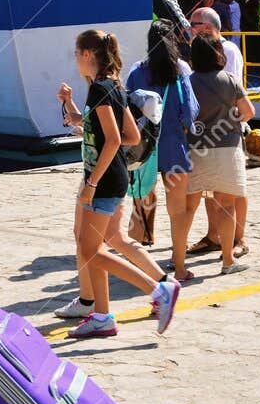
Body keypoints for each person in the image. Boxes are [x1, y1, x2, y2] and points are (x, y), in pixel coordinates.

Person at [55, 29, 181, 339]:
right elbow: (130, 137)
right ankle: (101, 316)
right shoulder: (113, 86)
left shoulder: (100, 88)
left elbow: (112, 139)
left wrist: (92, 182)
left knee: (91, 250)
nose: (75, 60)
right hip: (115, 176)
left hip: (103, 180)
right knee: (99, 245)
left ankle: (157, 290)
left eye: (76, 53)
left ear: (87, 54)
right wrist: (72, 108)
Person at [119, 20, 200, 286]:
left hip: (144, 150)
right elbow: (190, 112)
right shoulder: (182, 71)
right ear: (174, 40)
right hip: (175, 149)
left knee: (141, 205)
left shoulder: (137, 71)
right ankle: (179, 267)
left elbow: (126, 107)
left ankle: (136, 267)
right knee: (177, 211)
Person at [183, 35, 256, 276]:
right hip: (227, 147)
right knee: (226, 205)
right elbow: (248, 112)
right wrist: (229, 121)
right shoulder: (229, 80)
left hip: (196, 148)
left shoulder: (188, 82)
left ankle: (179, 260)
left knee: (187, 208)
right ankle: (227, 259)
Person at [188, 6, 244, 86]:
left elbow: (231, 88)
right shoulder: (199, 48)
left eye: (193, 24)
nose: (190, 28)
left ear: (207, 27)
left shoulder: (228, 50)